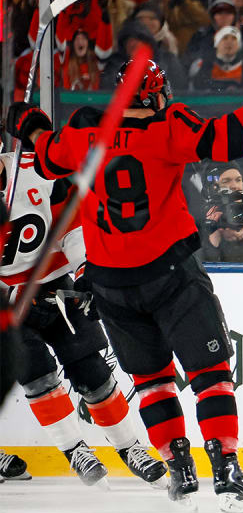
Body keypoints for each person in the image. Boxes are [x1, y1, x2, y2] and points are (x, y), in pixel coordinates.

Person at [5, 54, 243, 512]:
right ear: (155, 94)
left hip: (111, 284)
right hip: (169, 275)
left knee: (152, 381)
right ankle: (227, 468)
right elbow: (227, 136)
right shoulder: (168, 126)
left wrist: (30, 122)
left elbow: (50, 154)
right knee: (210, 374)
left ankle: (179, 471)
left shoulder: (83, 137)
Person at [0, 152, 167, 488]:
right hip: (7, 302)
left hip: (56, 285)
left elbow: (73, 225)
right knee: (37, 374)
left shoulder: (34, 170)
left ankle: (130, 447)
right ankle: (75, 450)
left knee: (92, 370)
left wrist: (84, 272)